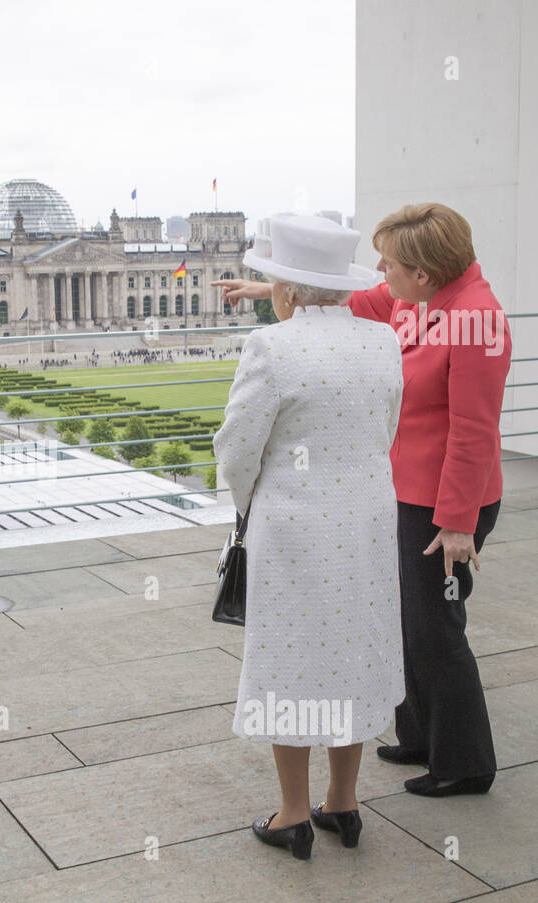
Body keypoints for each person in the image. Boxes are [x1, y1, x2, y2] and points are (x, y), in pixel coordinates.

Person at [216, 203, 510, 798]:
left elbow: (474, 431)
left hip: (448, 502)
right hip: (407, 491)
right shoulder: (419, 301)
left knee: (436, 630)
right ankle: (419, 736)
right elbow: (343, 305)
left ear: (424, 273)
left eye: (391, 263)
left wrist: (456, 524)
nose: (380, 272)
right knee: (408, 623)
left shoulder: (478, 319)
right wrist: (270, 286)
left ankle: (465, 762)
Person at [213, 214, 404, 860]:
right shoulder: (383, 341)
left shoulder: (272, 347)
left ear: (289, 291)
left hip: (294, 527)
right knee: (351, 649)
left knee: (290, 660)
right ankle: (343, 803)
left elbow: (238, 447)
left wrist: (246, 504)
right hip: (370, 519)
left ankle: (294, 813)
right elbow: (387, 430)